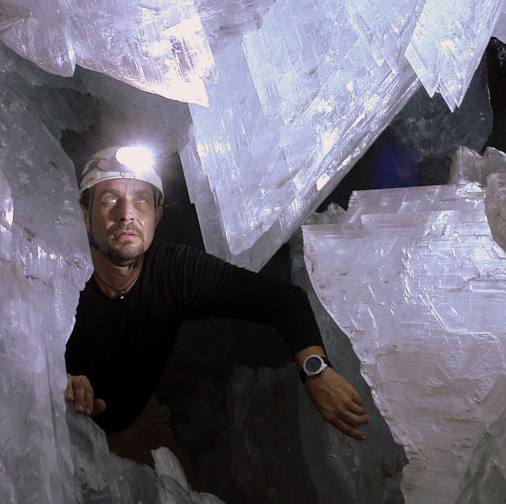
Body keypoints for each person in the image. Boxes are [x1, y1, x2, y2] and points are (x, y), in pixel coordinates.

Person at [64, 145, 369, 471]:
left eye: (141, 199)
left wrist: (316, 371)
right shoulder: (55, 268)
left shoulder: (174, 271)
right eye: (110, 198)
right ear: (84, 215)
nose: (126, 214)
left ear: (157, 216)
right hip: (56, 420)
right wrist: (54, 377)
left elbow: (280, 299)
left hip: (135, 423)